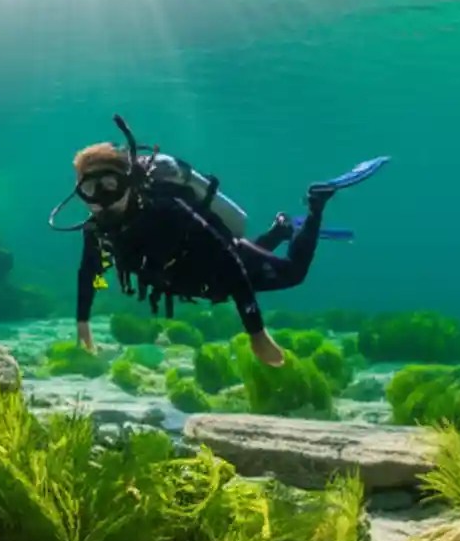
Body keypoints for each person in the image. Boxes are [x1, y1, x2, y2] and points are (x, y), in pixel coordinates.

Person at [57, 116, 388, 367]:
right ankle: (280, 231)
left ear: (128, 183)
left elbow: (226, 257)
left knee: (292, 273)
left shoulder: (169, 210)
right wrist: (83, 324)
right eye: (90, 189)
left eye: (110, 184)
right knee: (236, 269)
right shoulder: (97, 228)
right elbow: (89, 271)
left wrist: (257, 335)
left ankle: (315, 205)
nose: (102, 198)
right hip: (195, 277)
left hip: (216, 264)